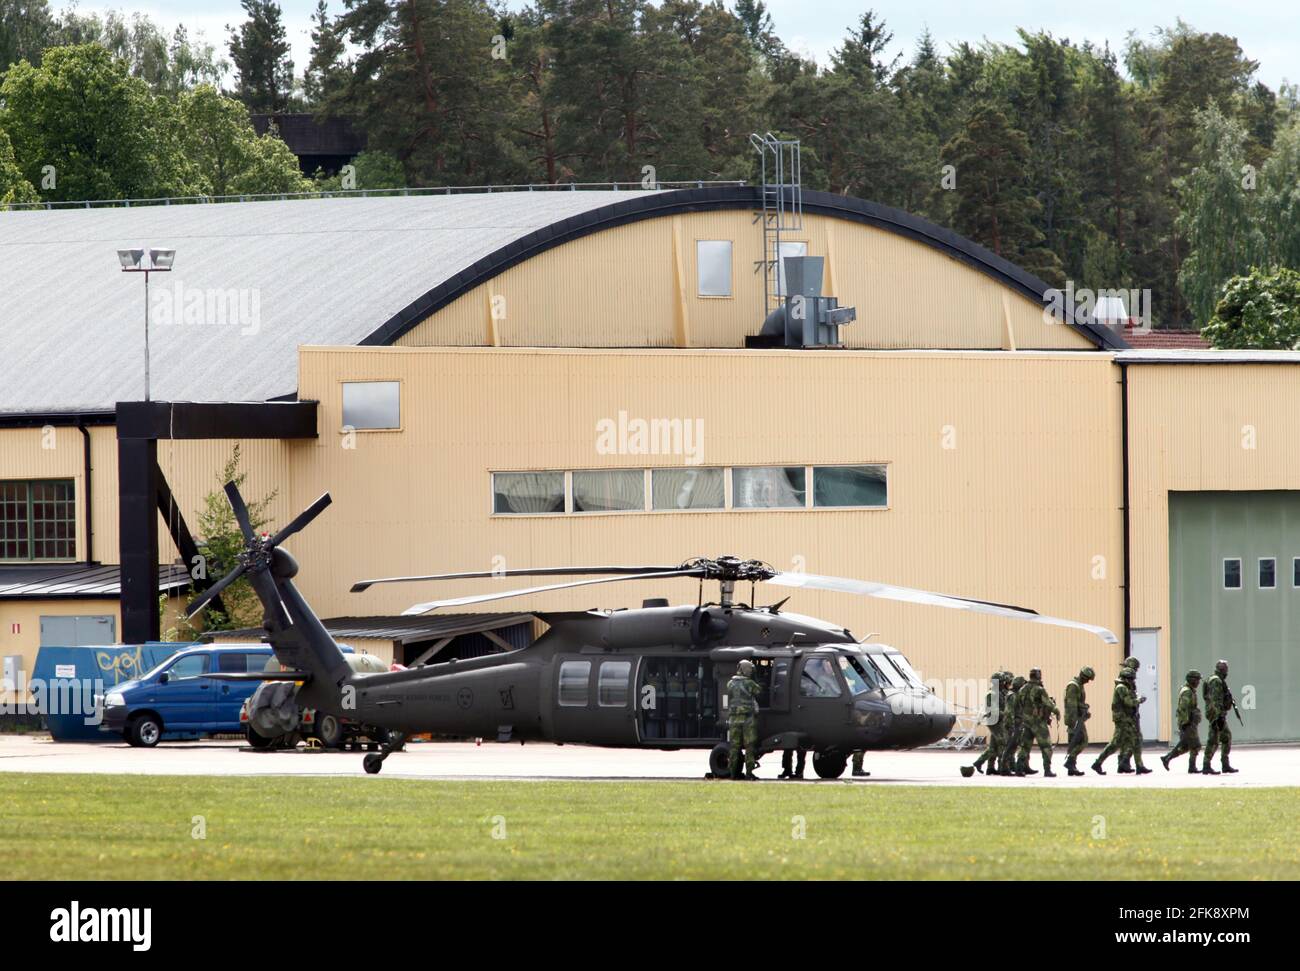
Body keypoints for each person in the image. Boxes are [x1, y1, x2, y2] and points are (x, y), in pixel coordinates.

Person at [1092, 667, 1151, 775]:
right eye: (1131, 678)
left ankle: (1139, 765)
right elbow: (1128, 702)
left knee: (1136, 740)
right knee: (1116, 744)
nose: (1133, 681)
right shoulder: (1121, 687)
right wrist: (1139, 700)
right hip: (1123, 719)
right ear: (1126, 678)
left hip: (1128, 719)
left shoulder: (1127, 687)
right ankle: (1097, 763)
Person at [964, 671, 1008, 777]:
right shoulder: (992, 694)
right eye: (1002, 682)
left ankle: (987, 766)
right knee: (1003, 743)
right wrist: (1007, 713)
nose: (1004, 684)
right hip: (994, 722)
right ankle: (1003, 768)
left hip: (998, 721)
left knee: (993, 746)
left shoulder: (999, 693)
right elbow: (994, 711)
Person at [1017, 667, 1060, 777]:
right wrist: (1057, 711)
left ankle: (1019, 769)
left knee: (1024, 746)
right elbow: (1048, 703)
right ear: (1038, 676)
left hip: (1026, 722)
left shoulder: (1022, 689)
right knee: (1046, 746)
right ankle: (1047, 770)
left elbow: (1019, 704)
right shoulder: (1040, 689)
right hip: (1038, 723)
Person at [725, 659, 762, 780]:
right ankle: (749, 773)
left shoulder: (730, 683)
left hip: (734, 719)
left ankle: (732, 773)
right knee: (749, 746)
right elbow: (759, 691)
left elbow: (727, 698)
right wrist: (756, 679)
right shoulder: (749, 683)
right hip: (747, 719)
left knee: (734, 747)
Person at [1161, 670, 1202, 773]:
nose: (1198, 682)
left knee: (1187, 745)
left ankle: (1167, 758)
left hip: (1189, 722)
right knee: (1195, 745)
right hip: (1188, 722)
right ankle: (1190, 766)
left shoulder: (1189, 690)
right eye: (1197, 680)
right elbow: (1183, 708)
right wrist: (1185, 723)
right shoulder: (1187, 691)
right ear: (1192, 680)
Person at [1202, 659, 1238, 774]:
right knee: (1215, 739)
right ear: (1223, 670)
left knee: (1223, 737)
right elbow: (1216, 700)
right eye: (1226, 669)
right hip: (1216, 715)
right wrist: (1219, 717)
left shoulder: (1215, 679)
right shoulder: (1216, 681)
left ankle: (1223, 764)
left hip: (1215, 713)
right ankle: (1208, 765)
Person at [1063, 666, 1095, 776]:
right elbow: (1072, 705)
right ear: (1083, 676)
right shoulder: (1073, 685)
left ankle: (1071, 766)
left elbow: (1078, 703)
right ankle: (1070, 762)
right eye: (1087, 679)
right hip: (1075, 719)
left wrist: (1084, 709)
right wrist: (1074, 721)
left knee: (1076, 742)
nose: (1088, 681)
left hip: (1078, 717)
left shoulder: (1079, 685)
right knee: (1083, 741)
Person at [1117, 657, 1142, 772]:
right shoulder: (1123, 682)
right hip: (1125, 714)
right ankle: (1123, 762)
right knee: (1132, 739)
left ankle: (1124, 763)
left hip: (1131, 713)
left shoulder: (1128, 681)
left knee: (1126, 739)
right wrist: (1137, 701)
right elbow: (1126, 700)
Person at [999, 675, 1026, 775]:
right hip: (1014, 725)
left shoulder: (1016, 694)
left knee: (1013, 747)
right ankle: (1004, 768)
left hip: (1017, 724)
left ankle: (1007, 768)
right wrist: (1011, 726)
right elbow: (1009, 712)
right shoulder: (1013, 696)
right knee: (1010, 747)